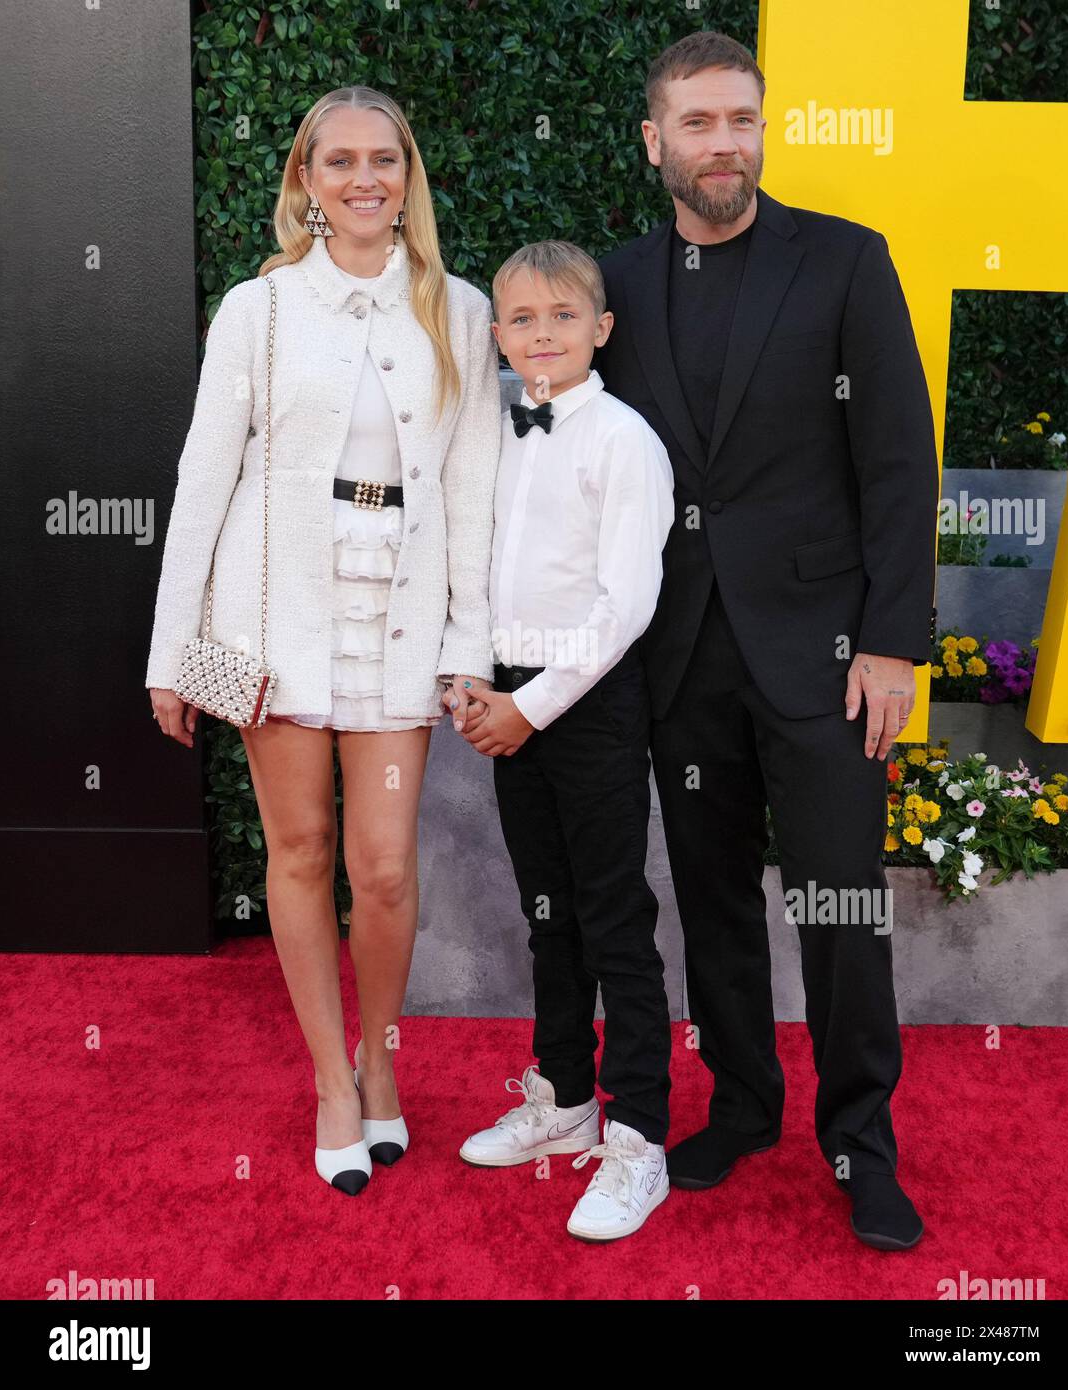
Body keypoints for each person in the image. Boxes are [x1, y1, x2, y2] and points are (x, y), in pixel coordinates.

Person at [592, 32, 938, 1250]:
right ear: (655, 142)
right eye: (696, 123)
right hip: (679, 654)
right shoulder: (614, 285)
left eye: (739, 119)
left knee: (842, 906)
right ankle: (741, 1104)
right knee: (712, 899)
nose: (722, 142)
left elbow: (896, 458)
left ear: (760, 127)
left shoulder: (843, 261)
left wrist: (892, 641)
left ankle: (861, 1139)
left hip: (827, 655)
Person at [145, 86, 500, 1195]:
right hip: (277, 620)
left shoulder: (463, 310)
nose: (361, 179)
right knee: (296, 854)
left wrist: (471, 644)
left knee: (383, 867)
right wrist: (172, 649)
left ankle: (380, 1060)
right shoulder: (256, 312)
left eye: (382, 160)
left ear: (407, 178)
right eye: (336, 160)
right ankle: (330, 1084)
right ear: (303, 179)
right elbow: (203, 477)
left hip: (399, 616)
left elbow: (475, 485)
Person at [450, 241, 675, 1242]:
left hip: (581, 702)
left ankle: (638, 1139)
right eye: (520, 319)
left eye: (561, 316)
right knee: (547, 912)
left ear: (601, 328)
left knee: (610, 913)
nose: (540, 334)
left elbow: (625, 603)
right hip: (502, 696)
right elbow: (469, 554)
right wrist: (466, 672)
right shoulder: (493, 423)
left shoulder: (623, 439)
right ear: (496, 334)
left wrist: (530, 705)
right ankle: (563, 1099)